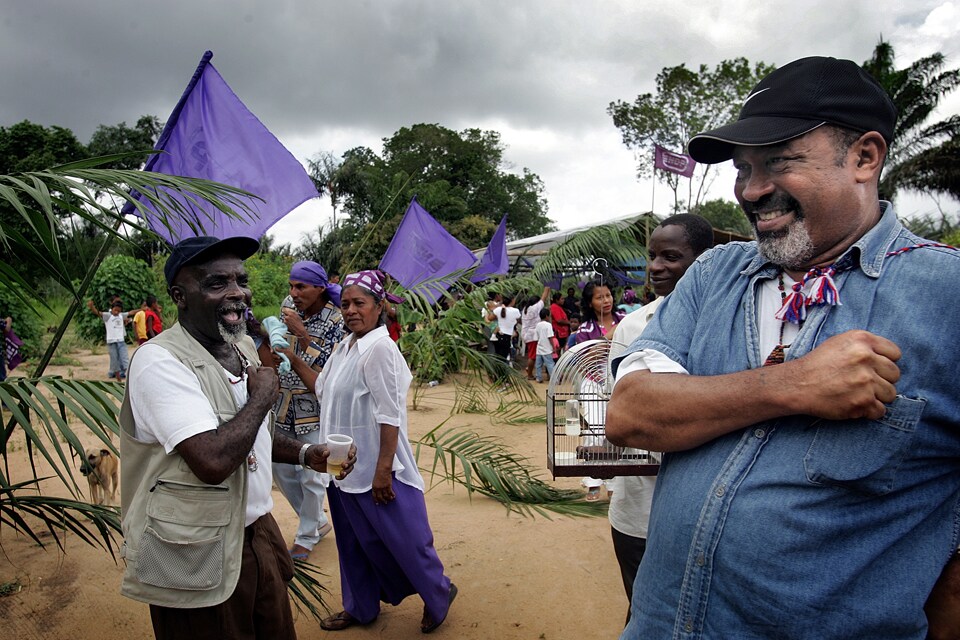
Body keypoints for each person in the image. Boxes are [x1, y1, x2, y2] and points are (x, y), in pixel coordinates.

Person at [606, 56, 960, 640]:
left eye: (779, 162)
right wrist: (795, 384)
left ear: (864, 158)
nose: (752, 190)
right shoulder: (715, 274)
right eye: (743, 168)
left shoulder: (946, 295)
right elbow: (630, 414)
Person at [118, 236, 356, 640]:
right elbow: (211, 460)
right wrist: (263, 396)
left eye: (241, 281)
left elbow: (249, 434)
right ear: (179, 296)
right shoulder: (159, 361)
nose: (237, 293)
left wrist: (305, 453)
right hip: (194, 550)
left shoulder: (241, 346)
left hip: (258, 533)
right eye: (217, 283)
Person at [311, 270, 457, 634]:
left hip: (376, 467)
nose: (350, 310)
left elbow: (390, 414)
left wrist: (383, 471)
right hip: (340, 466)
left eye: (359, 303)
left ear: (379, 307)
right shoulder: (344, 347)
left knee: (407, 542)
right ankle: (360, 606)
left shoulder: (379, 348)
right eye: (345, 304)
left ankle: (438, 593)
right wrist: (291, 349)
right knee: (352, 543)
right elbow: (322, 390)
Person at [606, 213, 713, 626]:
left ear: (704, 260)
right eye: (652, 256)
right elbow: (622, 415)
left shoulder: (726, 324)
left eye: (671, 256)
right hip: (639, 508)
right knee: (643, 613)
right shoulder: (634, 326)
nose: (655, 267)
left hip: (702, 508)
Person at [272, 261, 344, 560]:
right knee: (280, 469)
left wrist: (303, 336)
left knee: (313, 474)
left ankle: (305, 536)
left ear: (320, 288)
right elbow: (277, 339)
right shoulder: (288, 306)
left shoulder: (337, 319)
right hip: (281, 403)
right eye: (291, 286)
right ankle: (317, 522)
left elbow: (327, 370)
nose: (294, 293)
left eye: (300, 287)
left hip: (313, 408)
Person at [87, 297, 130, 381]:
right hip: (111, 341)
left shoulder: (121, 315)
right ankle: (118, 379)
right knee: (114, 360)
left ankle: (127, 376)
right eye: (115, 310)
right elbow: (98, 313)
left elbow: (131, 312)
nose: (116, 312)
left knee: (124, 359)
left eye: (118, 311)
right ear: (112, 308)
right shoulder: (108, 316)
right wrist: (92, 307)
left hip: (120, 340)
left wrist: (141, 310)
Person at [573, 280, 625, 345]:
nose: (606, 300)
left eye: (608, 295)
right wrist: (608, 337)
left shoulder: (625, 318)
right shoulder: (584, 330)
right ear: (590, 303)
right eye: (599, 298)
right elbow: (585, 351)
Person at [520, 286, 551, 380]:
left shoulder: (525, 309)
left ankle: (530, 370)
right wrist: (547, 286)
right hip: (532, 335)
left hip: (526, 334)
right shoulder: (536, 307)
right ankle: (529, 374)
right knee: (532, 356)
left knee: (534, 354)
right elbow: (544, 297)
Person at [488, 293, 521, 364]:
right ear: (512, 301)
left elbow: (490, 318)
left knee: (498, 356)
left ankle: (496, 370)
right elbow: (518, 320)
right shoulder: (516, 311)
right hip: (507, 336)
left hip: (498, 335)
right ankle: (501, 370)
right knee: (503, 357)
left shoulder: (498, 309)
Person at [533, 307, 556, 383]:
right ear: (546, 316)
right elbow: (550, 337)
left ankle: (538, 378)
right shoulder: (548, 325)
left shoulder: (537, 325)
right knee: (550, 364)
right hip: (547, 348)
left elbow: (536, 338)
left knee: (538, 365)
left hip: (539, 348)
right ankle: (554, 379)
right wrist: (553, 347)